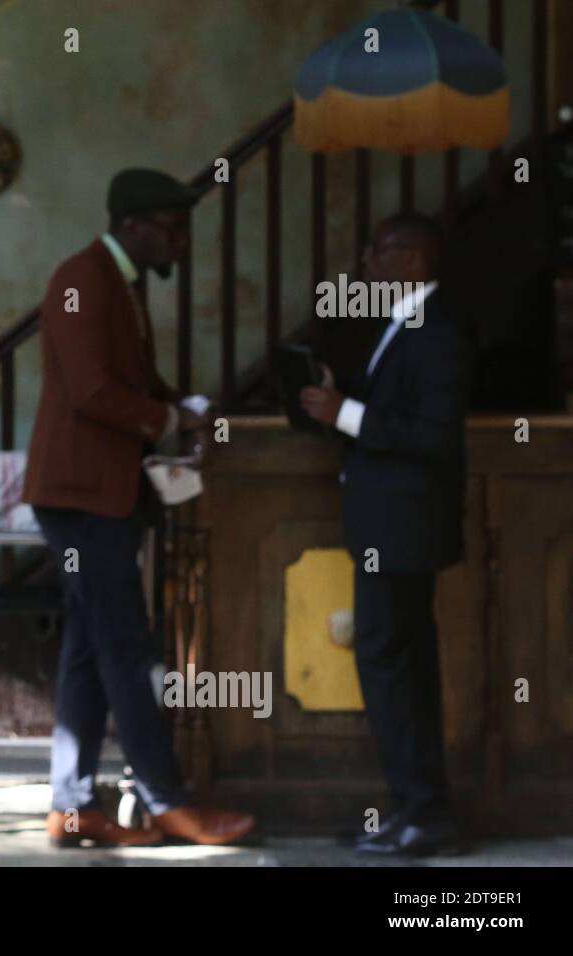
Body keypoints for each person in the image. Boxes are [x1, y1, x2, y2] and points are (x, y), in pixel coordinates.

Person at [23, 168, 256, 848]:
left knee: (91, 653)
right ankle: (164, 801)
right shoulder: (80, 279)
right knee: (127, 651)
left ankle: (72, 808)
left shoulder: (112, 280)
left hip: (96, 495)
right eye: (173, 229)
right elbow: (94, 391)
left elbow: (131, 381)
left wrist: (181, 404)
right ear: (134, 226)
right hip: (81, 498)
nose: (182, 244)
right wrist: (166, 418)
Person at [301, 212, 472, 856]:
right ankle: (419, 810)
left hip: (403, 531)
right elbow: (397, 415)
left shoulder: (437, 332)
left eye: (377, 251)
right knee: (402, 665)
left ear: (413, 262)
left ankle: (422, 812)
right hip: (391, 527)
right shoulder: (405, 325)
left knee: (389, 662)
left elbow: (433, 436)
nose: (365, 261)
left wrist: (345, 412)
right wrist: (336, 402)